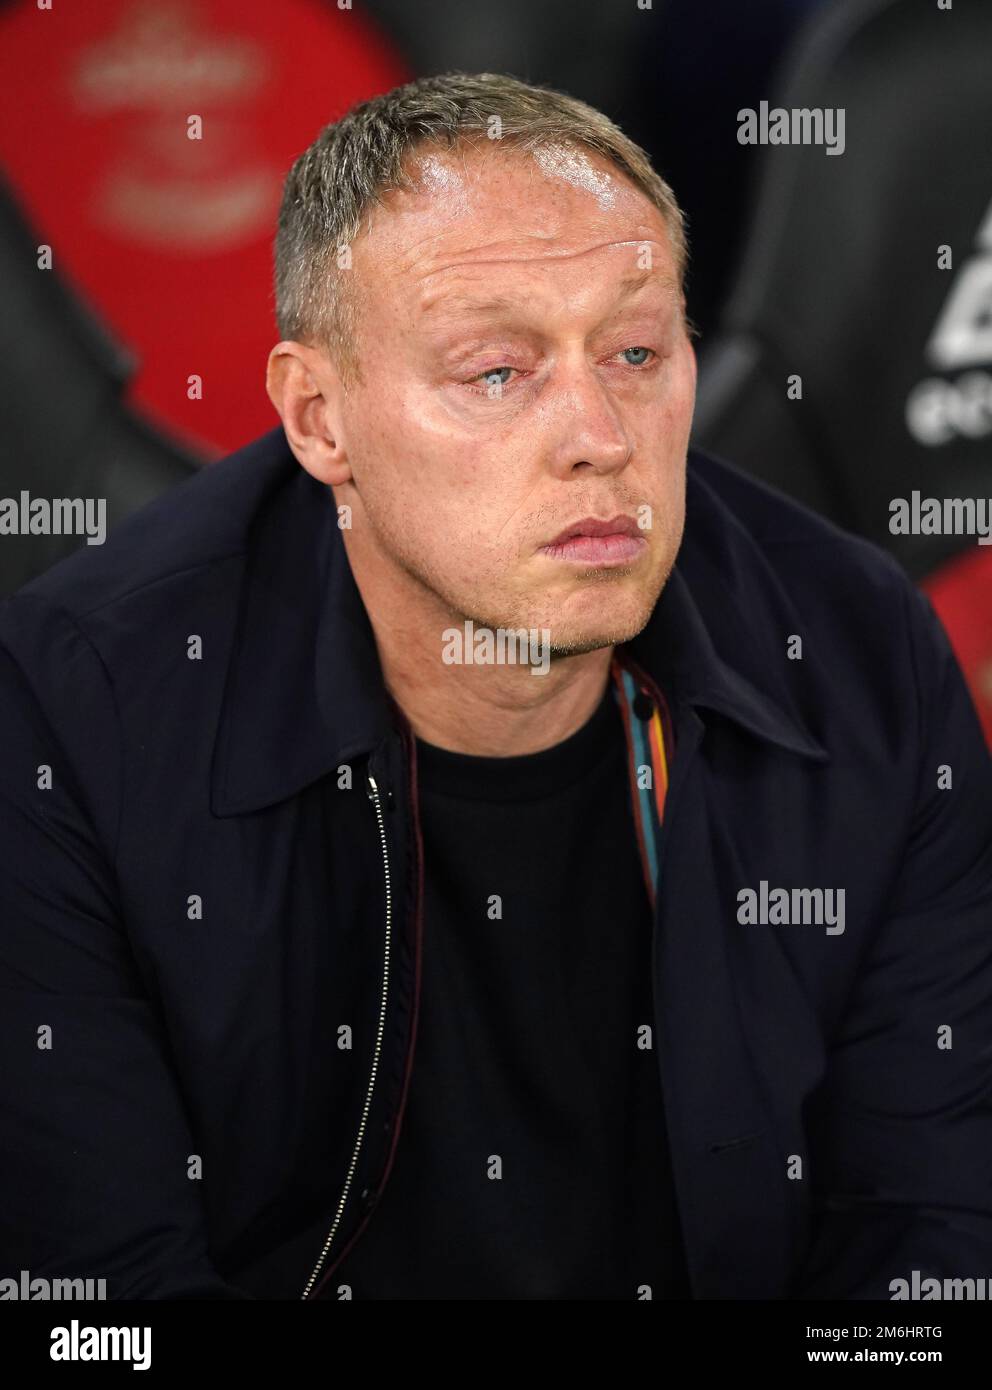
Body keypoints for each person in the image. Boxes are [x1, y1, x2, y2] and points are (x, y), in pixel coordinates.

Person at [0, 72, 990, 1302]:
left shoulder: (856, 649)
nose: (599, 435)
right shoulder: (70, 706)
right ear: (318, 419)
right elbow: (93, 1319)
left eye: (634, 350)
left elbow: (929, 1245)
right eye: (494, 372)